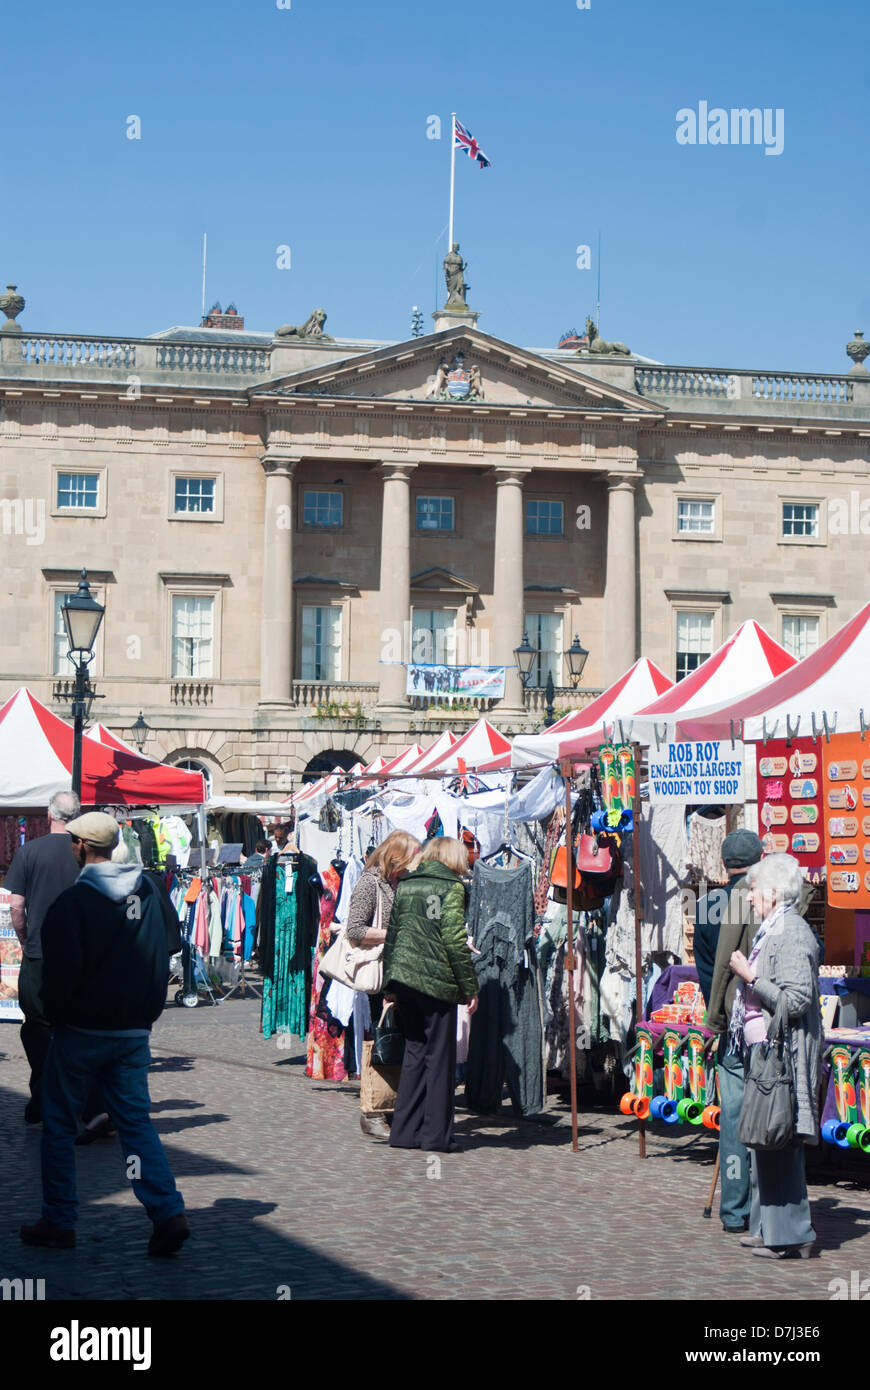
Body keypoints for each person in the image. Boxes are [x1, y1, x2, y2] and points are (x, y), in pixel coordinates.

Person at [19, 812, 188, 1257]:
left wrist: (57, 1016)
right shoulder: (147, 891)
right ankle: (166, 1210)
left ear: (78, 846)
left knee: (58, 1126)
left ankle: (59, 1220)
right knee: (135, 1124)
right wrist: (146, 1011)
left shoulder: (73, 903)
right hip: (132, 1029)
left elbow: (59, 974)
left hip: (81, 1030)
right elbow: (165, 952)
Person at [729, 852, 822, 1260]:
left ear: (772, 891)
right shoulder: (773, 928)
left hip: (783, 1058)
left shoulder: (790, 932)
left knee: (779, 1137)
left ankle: (791, 1234)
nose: (749, 899)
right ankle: (767, 1227)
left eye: (752, 890)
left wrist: (751, 978)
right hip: (766, 1053)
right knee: (764, 1138)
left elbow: (797, 998)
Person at [383, 837, 479, 1154]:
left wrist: (390, 986)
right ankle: (436, 1136)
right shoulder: (451, 887)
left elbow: (394, 935)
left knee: (413, 1055)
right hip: (436, 984)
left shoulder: (408, 885)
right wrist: (469, 987)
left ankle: (404, 1132)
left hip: (406, 981)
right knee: (439, 1060)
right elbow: (453, 939)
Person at [696, 828, 764, 1233]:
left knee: (735, 1119)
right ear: (760, 862)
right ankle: (762, 1206)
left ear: (724, 865)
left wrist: (717, 1014)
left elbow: (710, 974)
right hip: (762, 1022)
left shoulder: (706, 906)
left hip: (728, 1023)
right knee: (768, 1114)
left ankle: (734, 1211)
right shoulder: (764, 902)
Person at [6, 790, 81, 1123]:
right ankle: (75, 1100)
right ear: (76, 817)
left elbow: (16, 907)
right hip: (79, 957)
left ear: (49, 815)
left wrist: (24, 938)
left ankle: (42, 1097)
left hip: (38, 954)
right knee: (76, 1028)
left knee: (36, 1027)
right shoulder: (86, 853)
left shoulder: (29, 851)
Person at [345, 830, 421, 1139]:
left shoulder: (402, 882)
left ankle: (396, 1107)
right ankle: (373, 1111)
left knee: (400, 1043)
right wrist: (393, 933)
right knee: (382, 1042)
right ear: (396, 856)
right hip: (380, 974)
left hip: (404, 973)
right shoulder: (370, 882)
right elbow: (354, 930)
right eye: (411, 857)